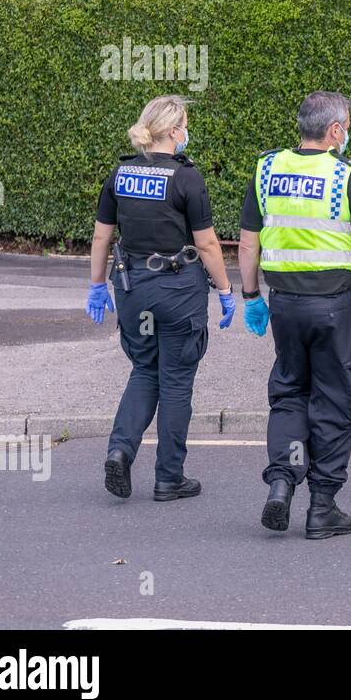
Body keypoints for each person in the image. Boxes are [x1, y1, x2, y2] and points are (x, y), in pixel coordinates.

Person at [238, 91, 351, 539]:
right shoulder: (347, 177)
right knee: (340, 398)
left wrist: (251, 296)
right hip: (331, 307)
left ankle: (281, 483)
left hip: (283, 304)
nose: (347, 132)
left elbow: (248, 243)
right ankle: (323, 505)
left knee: (291, 392)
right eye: (346, 125)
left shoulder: (267, 168)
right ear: (334, 131)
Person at [87, 95, 235, 502]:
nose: (187, 132)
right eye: (184, 124)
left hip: (132, 287)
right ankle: (169, 478)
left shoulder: (120, 173)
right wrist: (225, 290)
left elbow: (102, 235)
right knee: (175, 380)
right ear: (173, 131)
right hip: (178, 289)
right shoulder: (186, 178)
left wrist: (97, 284)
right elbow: (205, 243)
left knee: (144, 370)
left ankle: (120, 449)